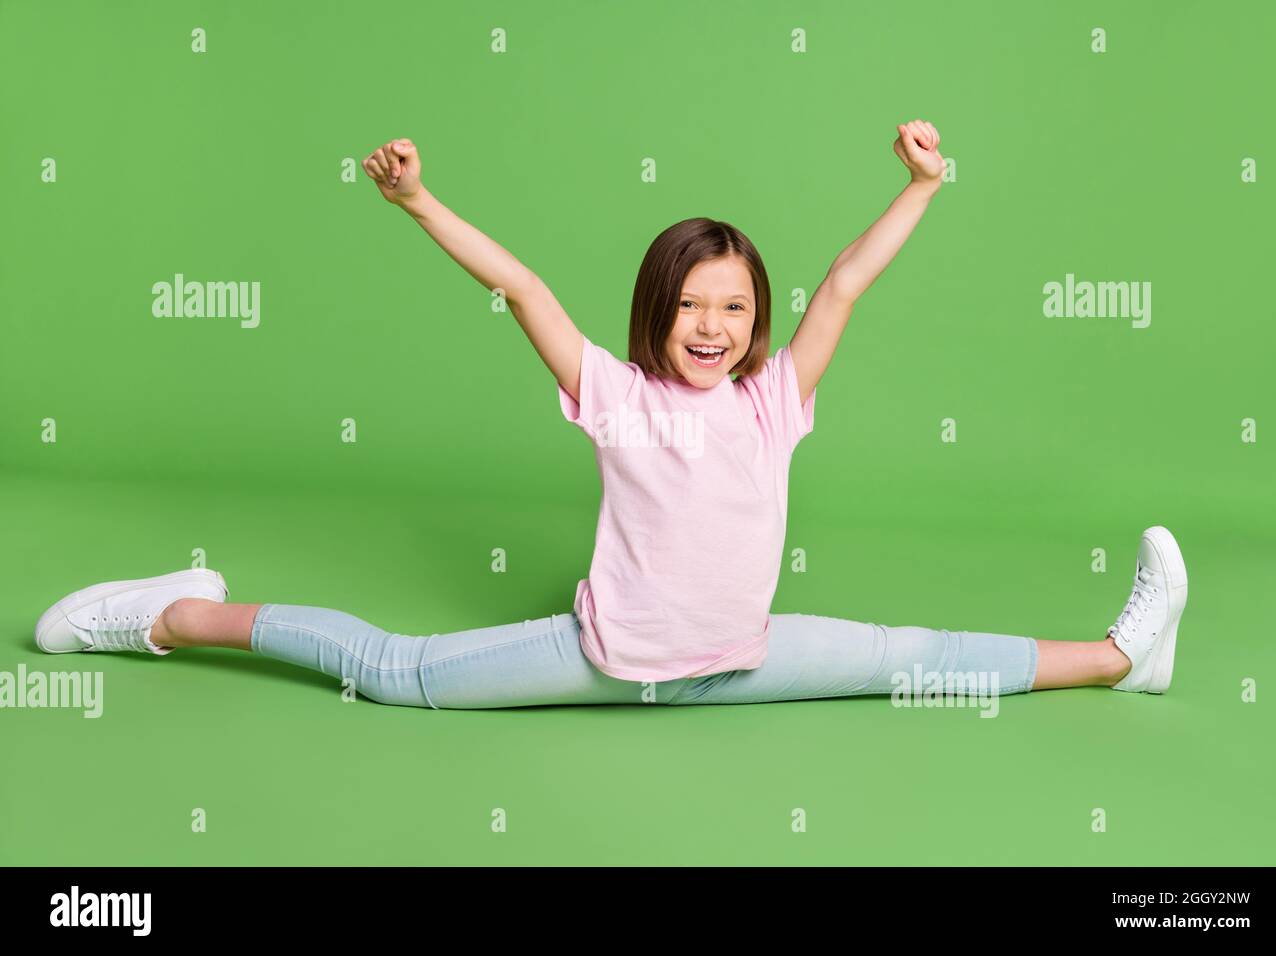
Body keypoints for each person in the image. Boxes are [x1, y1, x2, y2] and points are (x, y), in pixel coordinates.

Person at [33, 120, 1188, 709]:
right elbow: (525, 287)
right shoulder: (616, 397)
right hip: (602, 659)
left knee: (904, 655)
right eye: (689, 304)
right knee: (392, 670)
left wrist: (921, 184)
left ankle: (1120, 655)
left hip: (740, 658)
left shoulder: (776, 397)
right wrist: (417, 199)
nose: (711, 324)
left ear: (754, 319)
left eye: (732, 306)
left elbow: (843, 283)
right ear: (656, 311)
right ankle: (175, 614)